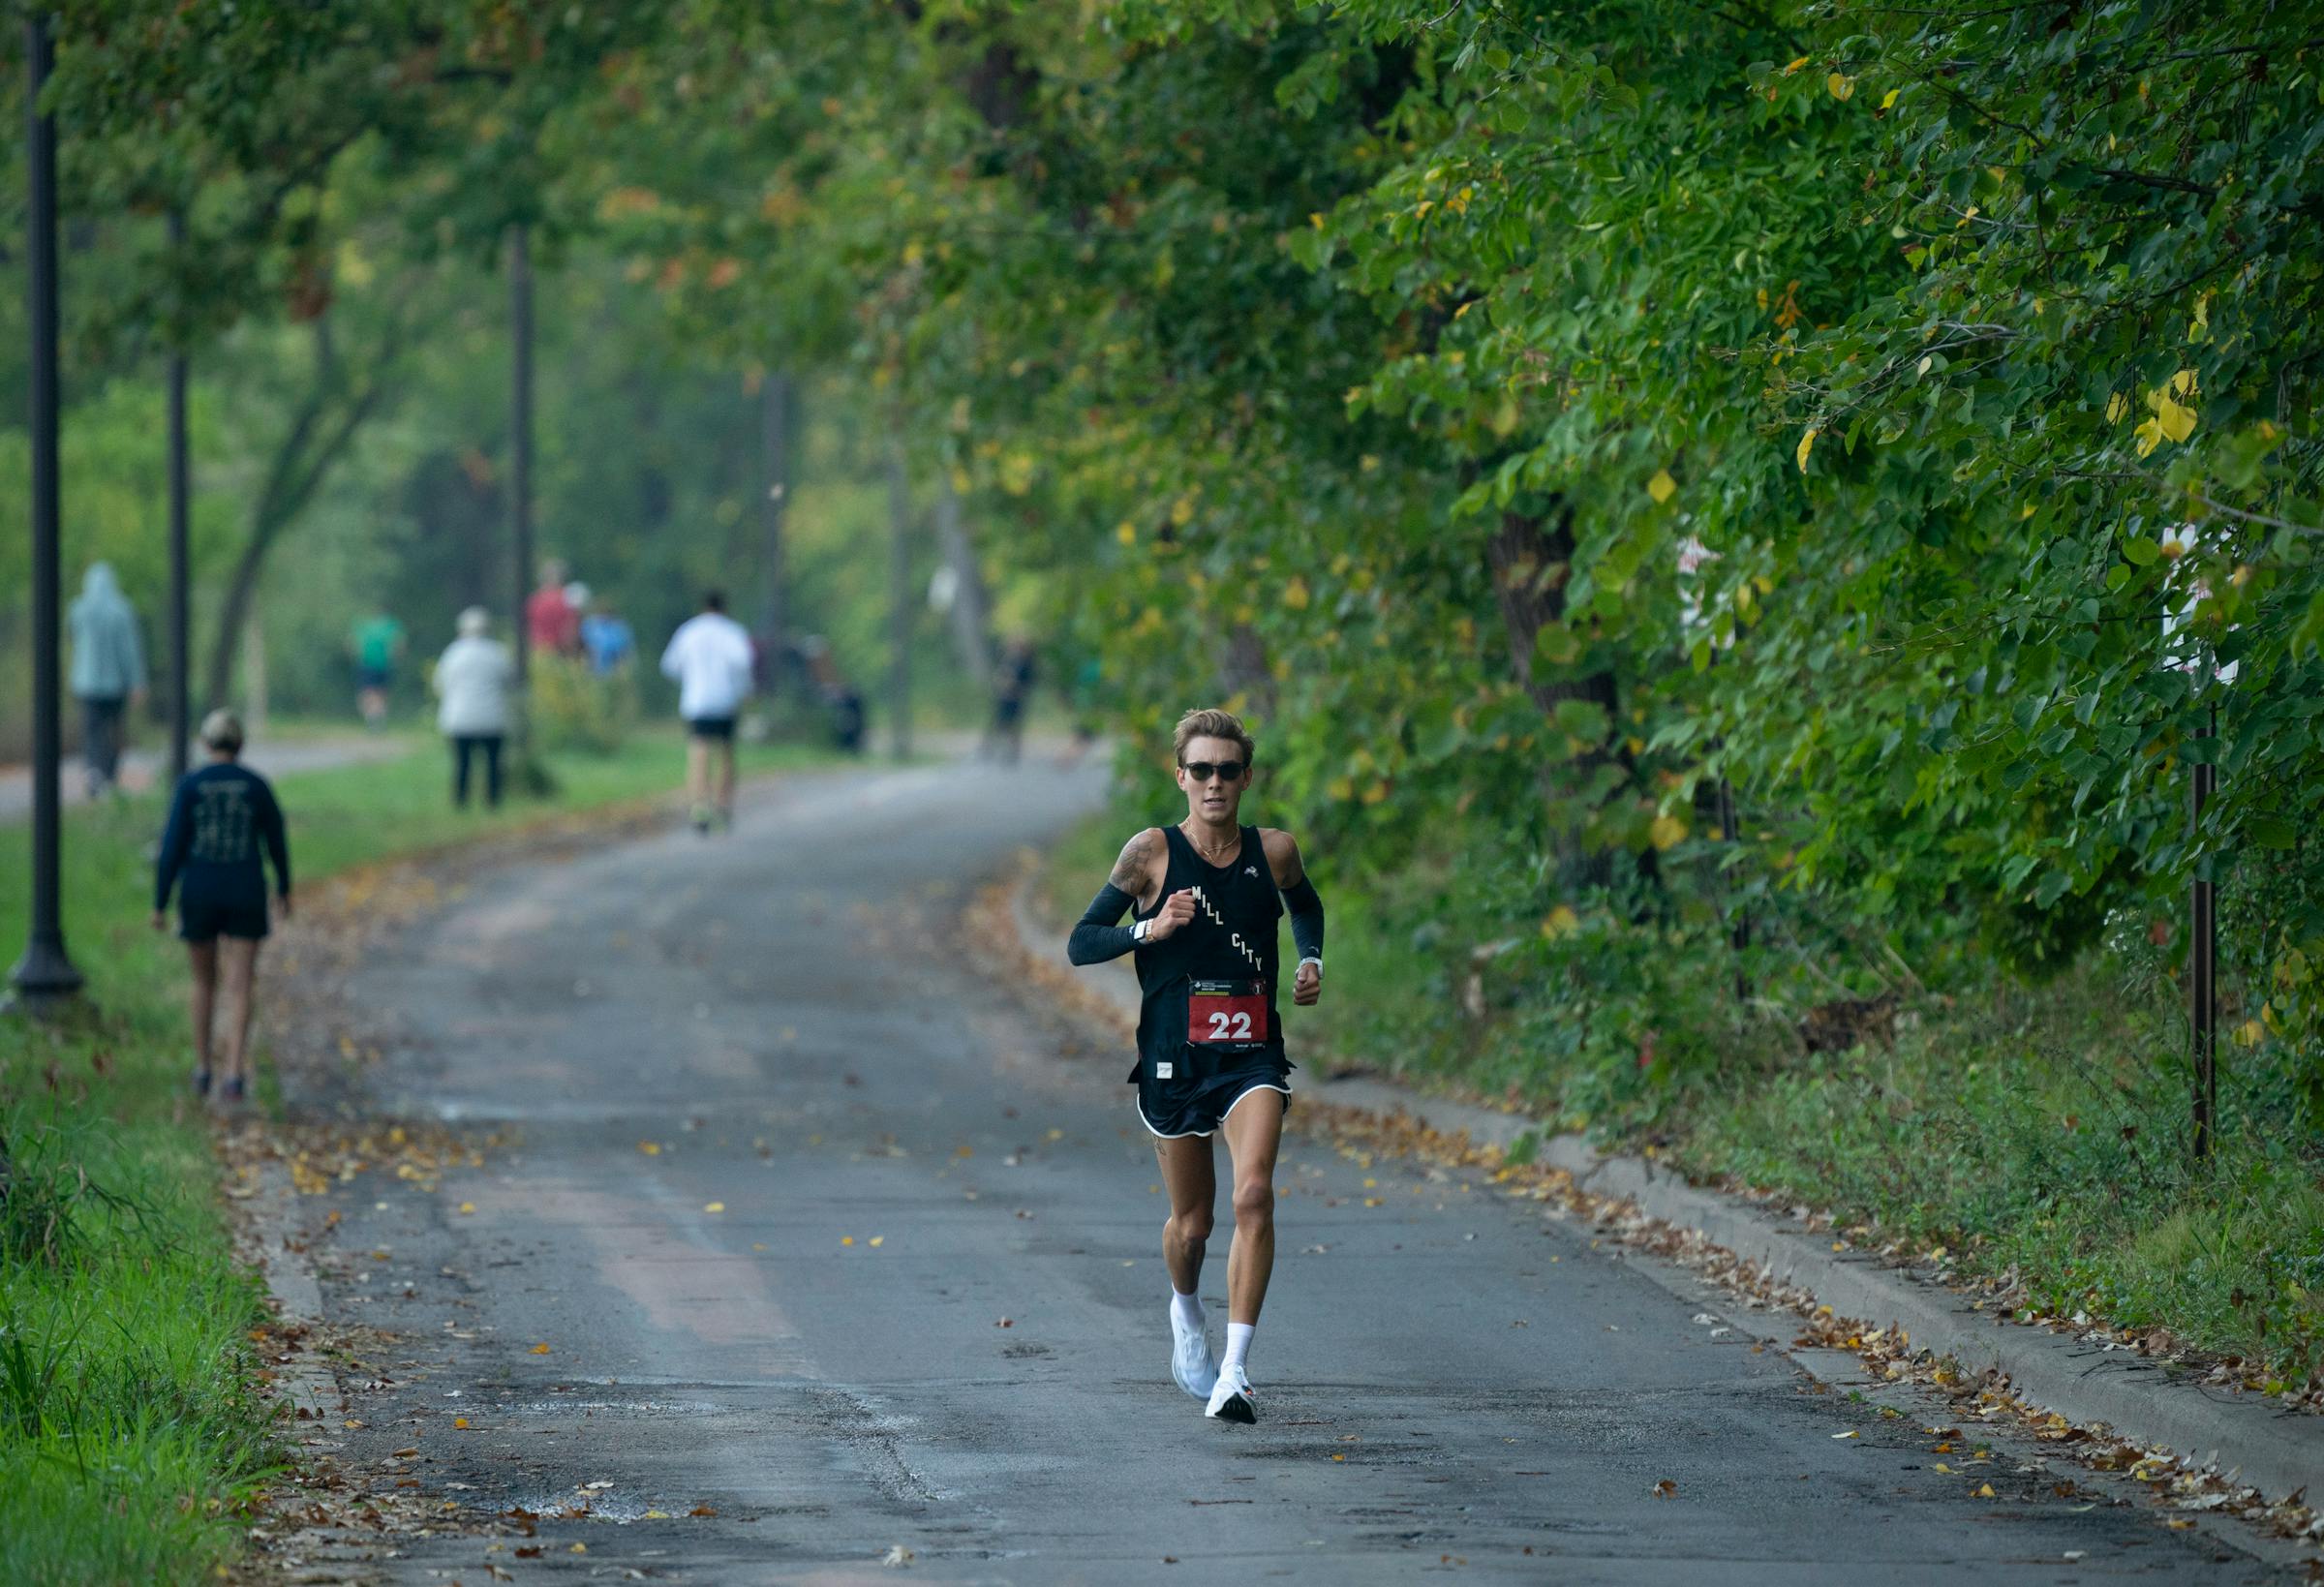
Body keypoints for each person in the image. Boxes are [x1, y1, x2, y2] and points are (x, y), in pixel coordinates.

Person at [1066, 707, 1325, 1424]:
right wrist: (1150, 927)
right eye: (1201, 770)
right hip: (1174, 1056)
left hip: (1251, 1053)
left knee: (1253, 1197)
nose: (1215, 782)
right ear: (1181, 776)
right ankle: (1186, 1315)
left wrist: (1310, 958)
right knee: (1193, 1223)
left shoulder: (1272, 850)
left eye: (1228, 769)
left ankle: (1235, 1373)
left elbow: (1305, 905)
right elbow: (1082, 941)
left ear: (1247, 776)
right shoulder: (1149, 853)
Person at [152, 710, 291, 1106]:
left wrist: (160, 903)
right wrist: (283, 888)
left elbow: (173, 847)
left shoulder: (190, 785)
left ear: (205, 744)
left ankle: (201, 1068)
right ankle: (234, 1074)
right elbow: (276, 842)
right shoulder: (257, 786)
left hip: (199, 891)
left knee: (203, 981)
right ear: (240, 745)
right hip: (245, 889)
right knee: (241, 982)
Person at [659, 590, 754, 833]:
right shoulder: (733, 632)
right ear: (724, 607)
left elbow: (670, 665)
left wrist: (690, 679)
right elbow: (743, 663)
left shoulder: (689, 631)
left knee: (698, 751)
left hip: (697, 699)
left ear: (703, 606)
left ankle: (700, 805)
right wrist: (743, 690)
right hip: (725, 700)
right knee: (725, 752)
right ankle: (724, 805)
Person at [69, 562, 147, 798]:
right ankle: (109, 777)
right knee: (114, 732)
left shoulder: (78, 609)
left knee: (92, 732)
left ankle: (94, 776)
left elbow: (72, 639)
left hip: (87, 684)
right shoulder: (122, 610)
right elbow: (129, 650)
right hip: (115, 686)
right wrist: (137, 682)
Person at [433, 607, 514, 809]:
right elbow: (509, 681)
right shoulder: (497, 652)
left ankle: (461, 802)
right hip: (492, 718)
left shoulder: (453, 653)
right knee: (493, 764)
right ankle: (493, 802)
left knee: (462, 764)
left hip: (459, 718)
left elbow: (439, 684)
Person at [984, 637, 1037, 764]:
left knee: (1014, 726)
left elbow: (1029, 682)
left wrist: (1017, 687)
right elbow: (999, 677)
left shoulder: (1026, 663)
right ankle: (988, 748)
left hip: (1017, 698)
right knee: (998, 723)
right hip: (1004, 696)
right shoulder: (1007, 661)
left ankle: (1013, 752)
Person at [350, 610, 406, 729]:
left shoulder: (363, 625)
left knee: (369, 693)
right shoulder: (390, 625)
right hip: (382, 665)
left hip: (368, 664)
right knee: (379, 693)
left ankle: (373, 719)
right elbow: (399, 645)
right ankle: (377, 719)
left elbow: (352, 645)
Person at [526, 559, 581, 658]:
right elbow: (571, 632)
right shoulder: (567, 599)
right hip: (559, 652)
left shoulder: (534, 600)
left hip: (537, 652)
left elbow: (527, 628)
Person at [580, 597, 635, 677]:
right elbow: (583, 645)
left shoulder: (619, 628)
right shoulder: (589, 625)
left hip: (614, 668)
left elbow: (626, 649)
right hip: (593, 667)